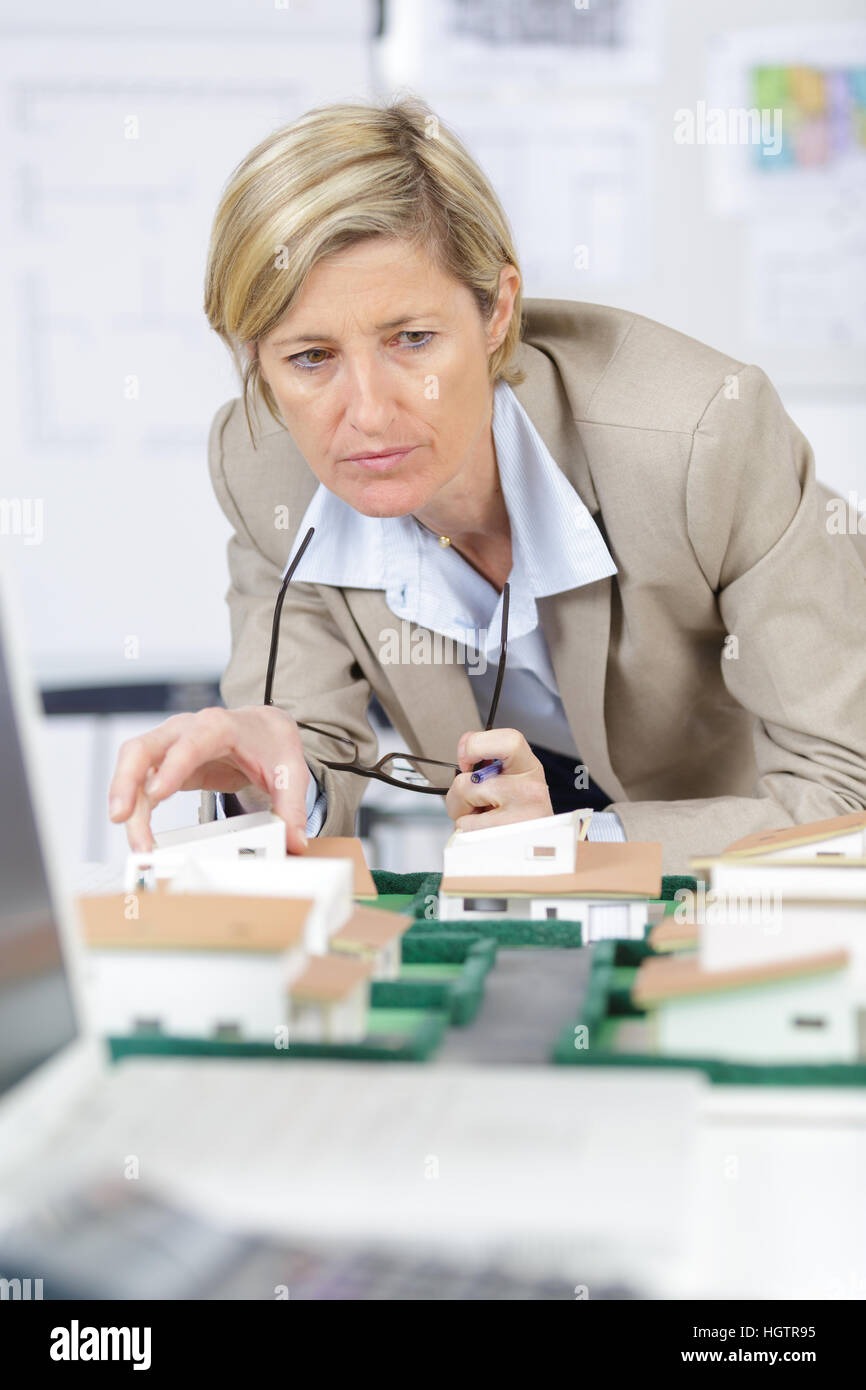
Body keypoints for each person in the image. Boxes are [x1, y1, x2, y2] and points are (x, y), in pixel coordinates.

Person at [108, 96, 866, 875]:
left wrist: (583, 844)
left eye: (412, 339)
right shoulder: (263, 468)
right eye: (310, 357)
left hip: (729, 867)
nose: (367, 415)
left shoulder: (702, 438)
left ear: (498, 311)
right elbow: (308, 763)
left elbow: (849, 788)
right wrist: (259, 784)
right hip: (509, 886)